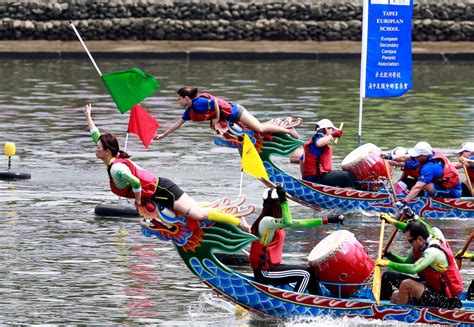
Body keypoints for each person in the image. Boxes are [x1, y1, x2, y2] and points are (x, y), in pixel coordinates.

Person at [83, 103, 250, 231]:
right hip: (160, 190)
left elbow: (135, 182)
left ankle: (238, 221)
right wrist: (88, 116)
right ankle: (226, 213)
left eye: (98, 148)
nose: (95, 148)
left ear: (106, 151)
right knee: (194, 210)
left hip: (163, 190)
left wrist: (138, 202)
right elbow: (96, 135)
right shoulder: (114, 156)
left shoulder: (116, 169)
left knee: (197, 214)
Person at [249, 185, 344, 295]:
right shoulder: (266, 222)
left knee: (311, 271)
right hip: (265, 272)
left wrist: (329, 220)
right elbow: (288, 222)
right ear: (278, 205)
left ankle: (319, 300)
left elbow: (299, 223)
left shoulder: (274, 222)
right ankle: (293, 303)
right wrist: (284, 200)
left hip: (272, 268)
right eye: (281, 203)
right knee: (305, 274)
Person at [154, 87, 299, 141]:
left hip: (236, 111)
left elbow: (215, 103)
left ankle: (288, 130)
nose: (178, 101)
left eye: (179, 99)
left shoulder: (198, 102)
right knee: (252, 131)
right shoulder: (189, 111)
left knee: (259, 129)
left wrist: (216, 118)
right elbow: (177, 124)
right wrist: (163, 135)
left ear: (186, 98)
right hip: (232, 118)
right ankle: (278, 126)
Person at [376, 221, 463, 309]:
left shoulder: (433, 252)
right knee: (395, 295)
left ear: (420, 239)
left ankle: (400, 314)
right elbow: (407, 263)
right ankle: (390, 308)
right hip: (432, 289)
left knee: (406, 284)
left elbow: (414, 268)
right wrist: (390, 256)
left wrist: (387, 263)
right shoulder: (420, 246)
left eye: (410, 241)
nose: (409, 244)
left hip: (446, 300)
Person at [390, 142, 461, 208]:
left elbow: (418, 187)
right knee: (412, 182)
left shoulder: (430, 167)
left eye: (416, 155)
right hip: (440, 185)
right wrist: (390, 157)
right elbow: (405, 158)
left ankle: (422, 199)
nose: (414, 157)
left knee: (422, 184)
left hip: (451, 192)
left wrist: (404, 202)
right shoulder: (428, 155)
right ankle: (413, 195)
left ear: (423, 156)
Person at [300, 119, 355, 188]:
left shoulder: (311, 142)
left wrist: (304, 178)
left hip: (311, 178)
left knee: (340, 174)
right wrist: (332, 135)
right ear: (326, 129)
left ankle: (339, 192)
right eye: (331, 129)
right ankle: (349, 196)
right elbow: (319, 143)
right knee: (348, 176)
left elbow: (301, 160)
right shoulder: (318, 137)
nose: (332, 131)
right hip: (317, 178)